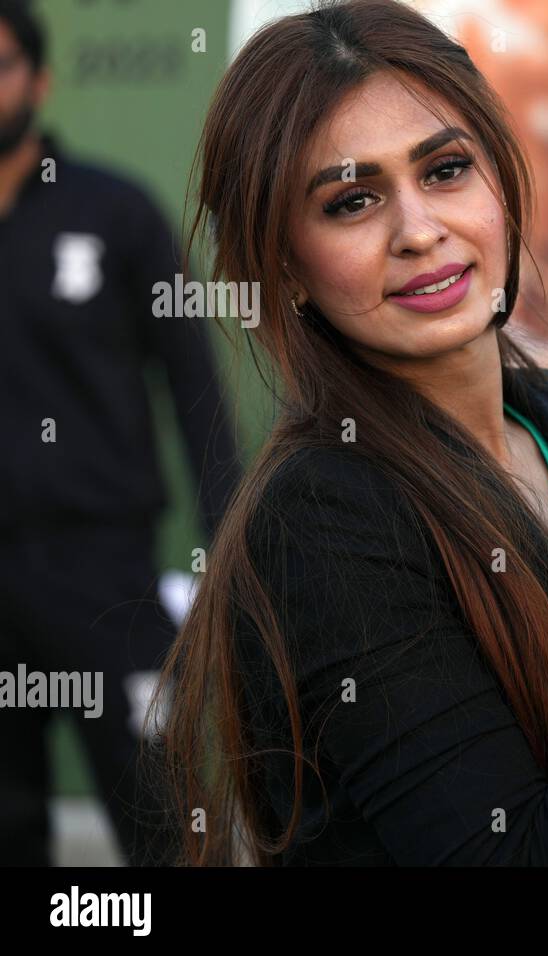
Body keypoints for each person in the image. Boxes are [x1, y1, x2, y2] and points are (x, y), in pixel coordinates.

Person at [154, 0, 548, 865]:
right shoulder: (324, 517)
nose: (420, 231)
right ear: (284, 265)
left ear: (502, 180)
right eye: (353, 201)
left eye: (445, 170)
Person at [0, 0, 241, 865]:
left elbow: (196, 387)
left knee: (158, 813)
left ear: (39, 80)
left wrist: (225, 543)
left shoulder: (113, 213)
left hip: (101, 569)